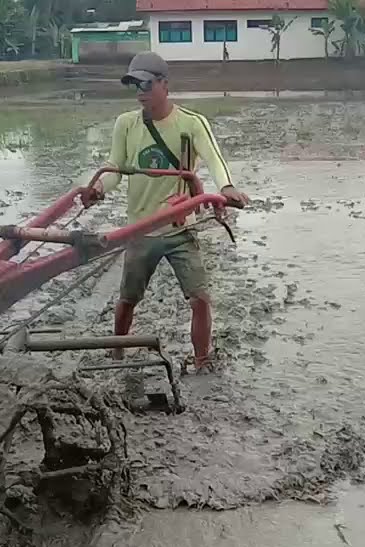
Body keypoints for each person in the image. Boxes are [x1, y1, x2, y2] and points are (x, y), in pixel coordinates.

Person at [81, 52, 250, 372]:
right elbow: (115, 168)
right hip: (140, 229)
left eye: (146, 83)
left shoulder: (190, 123)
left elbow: (214, 160)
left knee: (200, 299)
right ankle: (117, 355)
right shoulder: (126, 124)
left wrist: (226, 188)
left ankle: (201, 362)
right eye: (135, 84)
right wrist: (99, 189)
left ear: (164, 85)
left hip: (179, 227)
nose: (140, 91)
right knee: (128, 300)